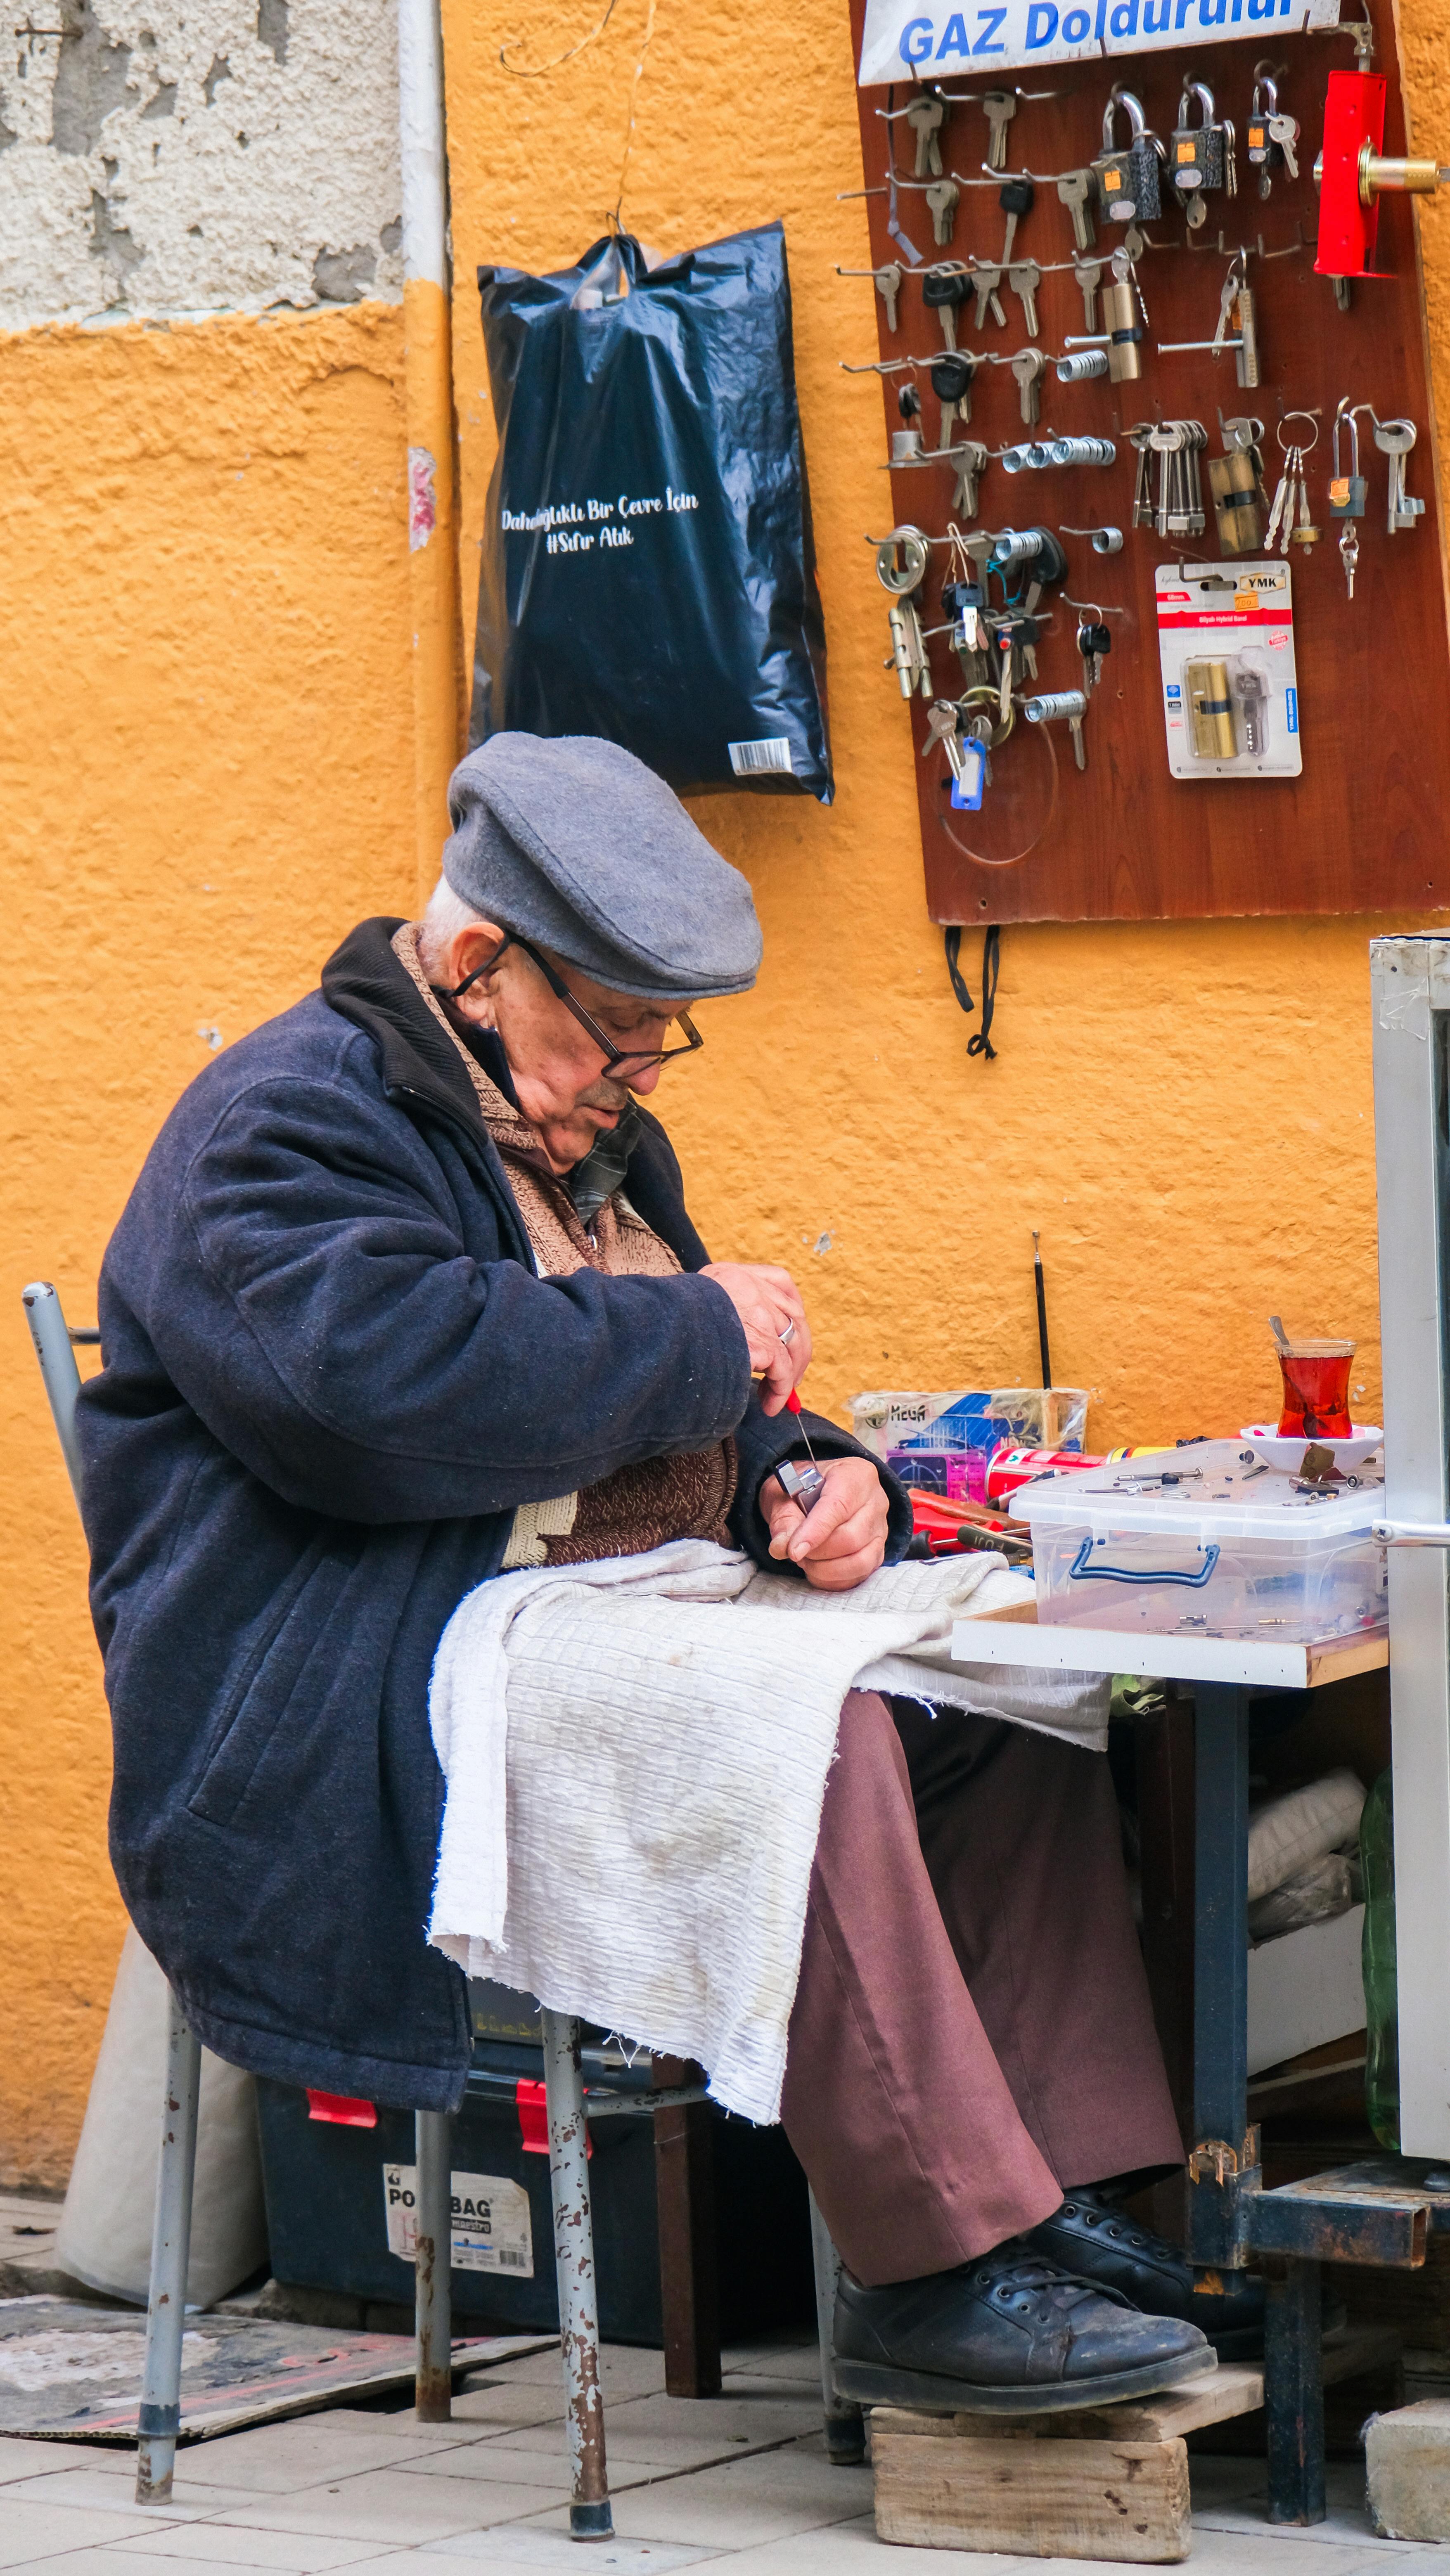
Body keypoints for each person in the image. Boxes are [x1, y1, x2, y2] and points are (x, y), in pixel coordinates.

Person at [79, 732, 1259, 2413]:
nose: (640, 1071)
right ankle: (932, 2277)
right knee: (806, 1735)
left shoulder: (592, 1136)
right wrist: (701, 1340)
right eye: (612, 1029)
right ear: (477, 967)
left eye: (658, 1036)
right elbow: (380, 1403)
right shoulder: (280, 1126)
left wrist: (818, 1478)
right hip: (344, 1699)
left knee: (994, 1700)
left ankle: (1062, 2205)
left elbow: (684, 1392)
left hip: (566, 1640)